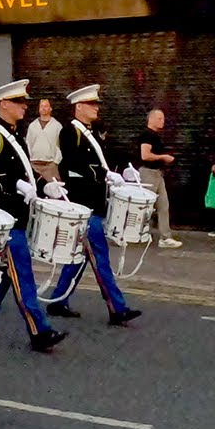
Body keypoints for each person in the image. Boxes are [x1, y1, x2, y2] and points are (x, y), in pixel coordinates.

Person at [0, 81, 68, 351]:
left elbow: (26, 175)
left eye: (24, 102)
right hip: (5, 220)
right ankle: (39, 331)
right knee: (23, 277)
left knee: (7, 276)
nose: (24, 106)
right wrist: (15, 186)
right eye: (18, 102)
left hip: (19, 216)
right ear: (3, 104)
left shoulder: (16, 136)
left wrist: (46, 186)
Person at [46, 85, 143, 325]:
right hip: (83, 205)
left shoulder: (90, 132)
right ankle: (117, 307)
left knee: (79, 258)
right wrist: (103, 175)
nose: (96, 107)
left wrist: (123, 171)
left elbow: (105, 160)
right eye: (92, 104)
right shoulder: (70, 132)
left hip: (94, 203)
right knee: (100, 258)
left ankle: (58, 300)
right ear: (79, 107)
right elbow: (73, 165)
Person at [138, 109, 181, 249]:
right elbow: (145, 155)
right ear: (151, 119)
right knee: (146, 206)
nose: (163, 121)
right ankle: (139, 233)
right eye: (160, 118)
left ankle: (165, 237)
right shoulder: (147, 135)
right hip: (148, 173)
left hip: (157, 173)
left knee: (163, 206)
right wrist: (163, 157)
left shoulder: (154, 136)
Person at [26, 98, 63, 182]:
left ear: (50, 108)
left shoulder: (57, 126)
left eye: (46, 106)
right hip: (34, 164)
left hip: (50, 165)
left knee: (52, 190)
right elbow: (28, 143)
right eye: (41, 106)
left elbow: (61, 146)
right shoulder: (32, 126)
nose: (43, 108)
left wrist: (55, 162)